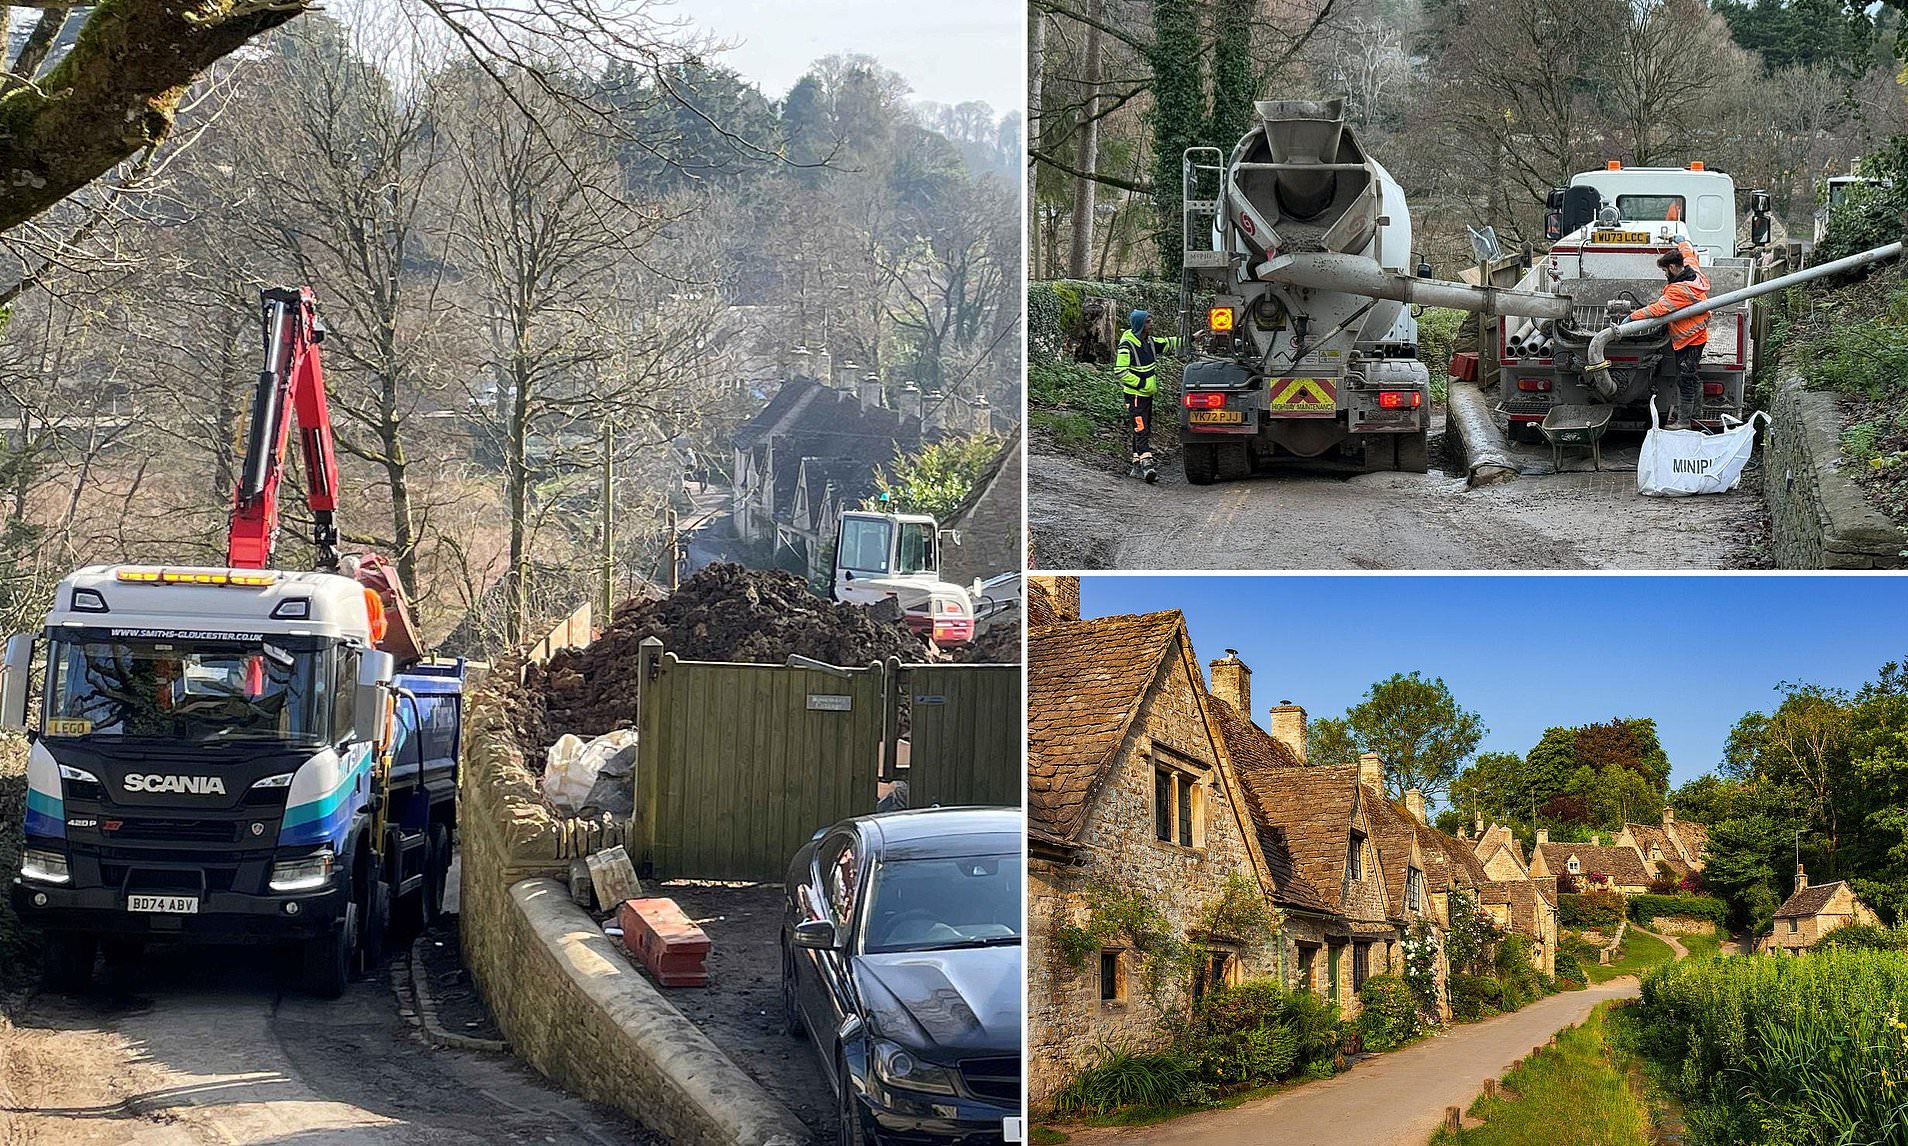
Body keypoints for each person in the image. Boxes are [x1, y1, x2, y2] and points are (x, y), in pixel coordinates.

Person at [1628, 240, 1710, 430]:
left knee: (1685, 378)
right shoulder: (1693, 272)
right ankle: (1696, 413)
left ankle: (1683, 422)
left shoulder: (1678, 290)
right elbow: (1689, 253)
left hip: (1688, 340)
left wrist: (1631, 317)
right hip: (1697, 336)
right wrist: (1682, 242)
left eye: (1665, 270)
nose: (1665, 274)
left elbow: (1658, 309)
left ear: (1673, 267)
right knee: (1691, 375)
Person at [1115, 309, 1183, 481]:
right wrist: (1142, 384)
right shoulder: (1126, 346)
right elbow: (1120, 371)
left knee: (1141, 428)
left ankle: (1136, 464)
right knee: (1141, 428)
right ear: (1140, 325)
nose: (1151, 324)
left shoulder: (1149, 342)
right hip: (1135, 395)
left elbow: (1168, 343)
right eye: (1148, 321)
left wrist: (1191, 339)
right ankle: (1147, 465)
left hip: (1146, 394)